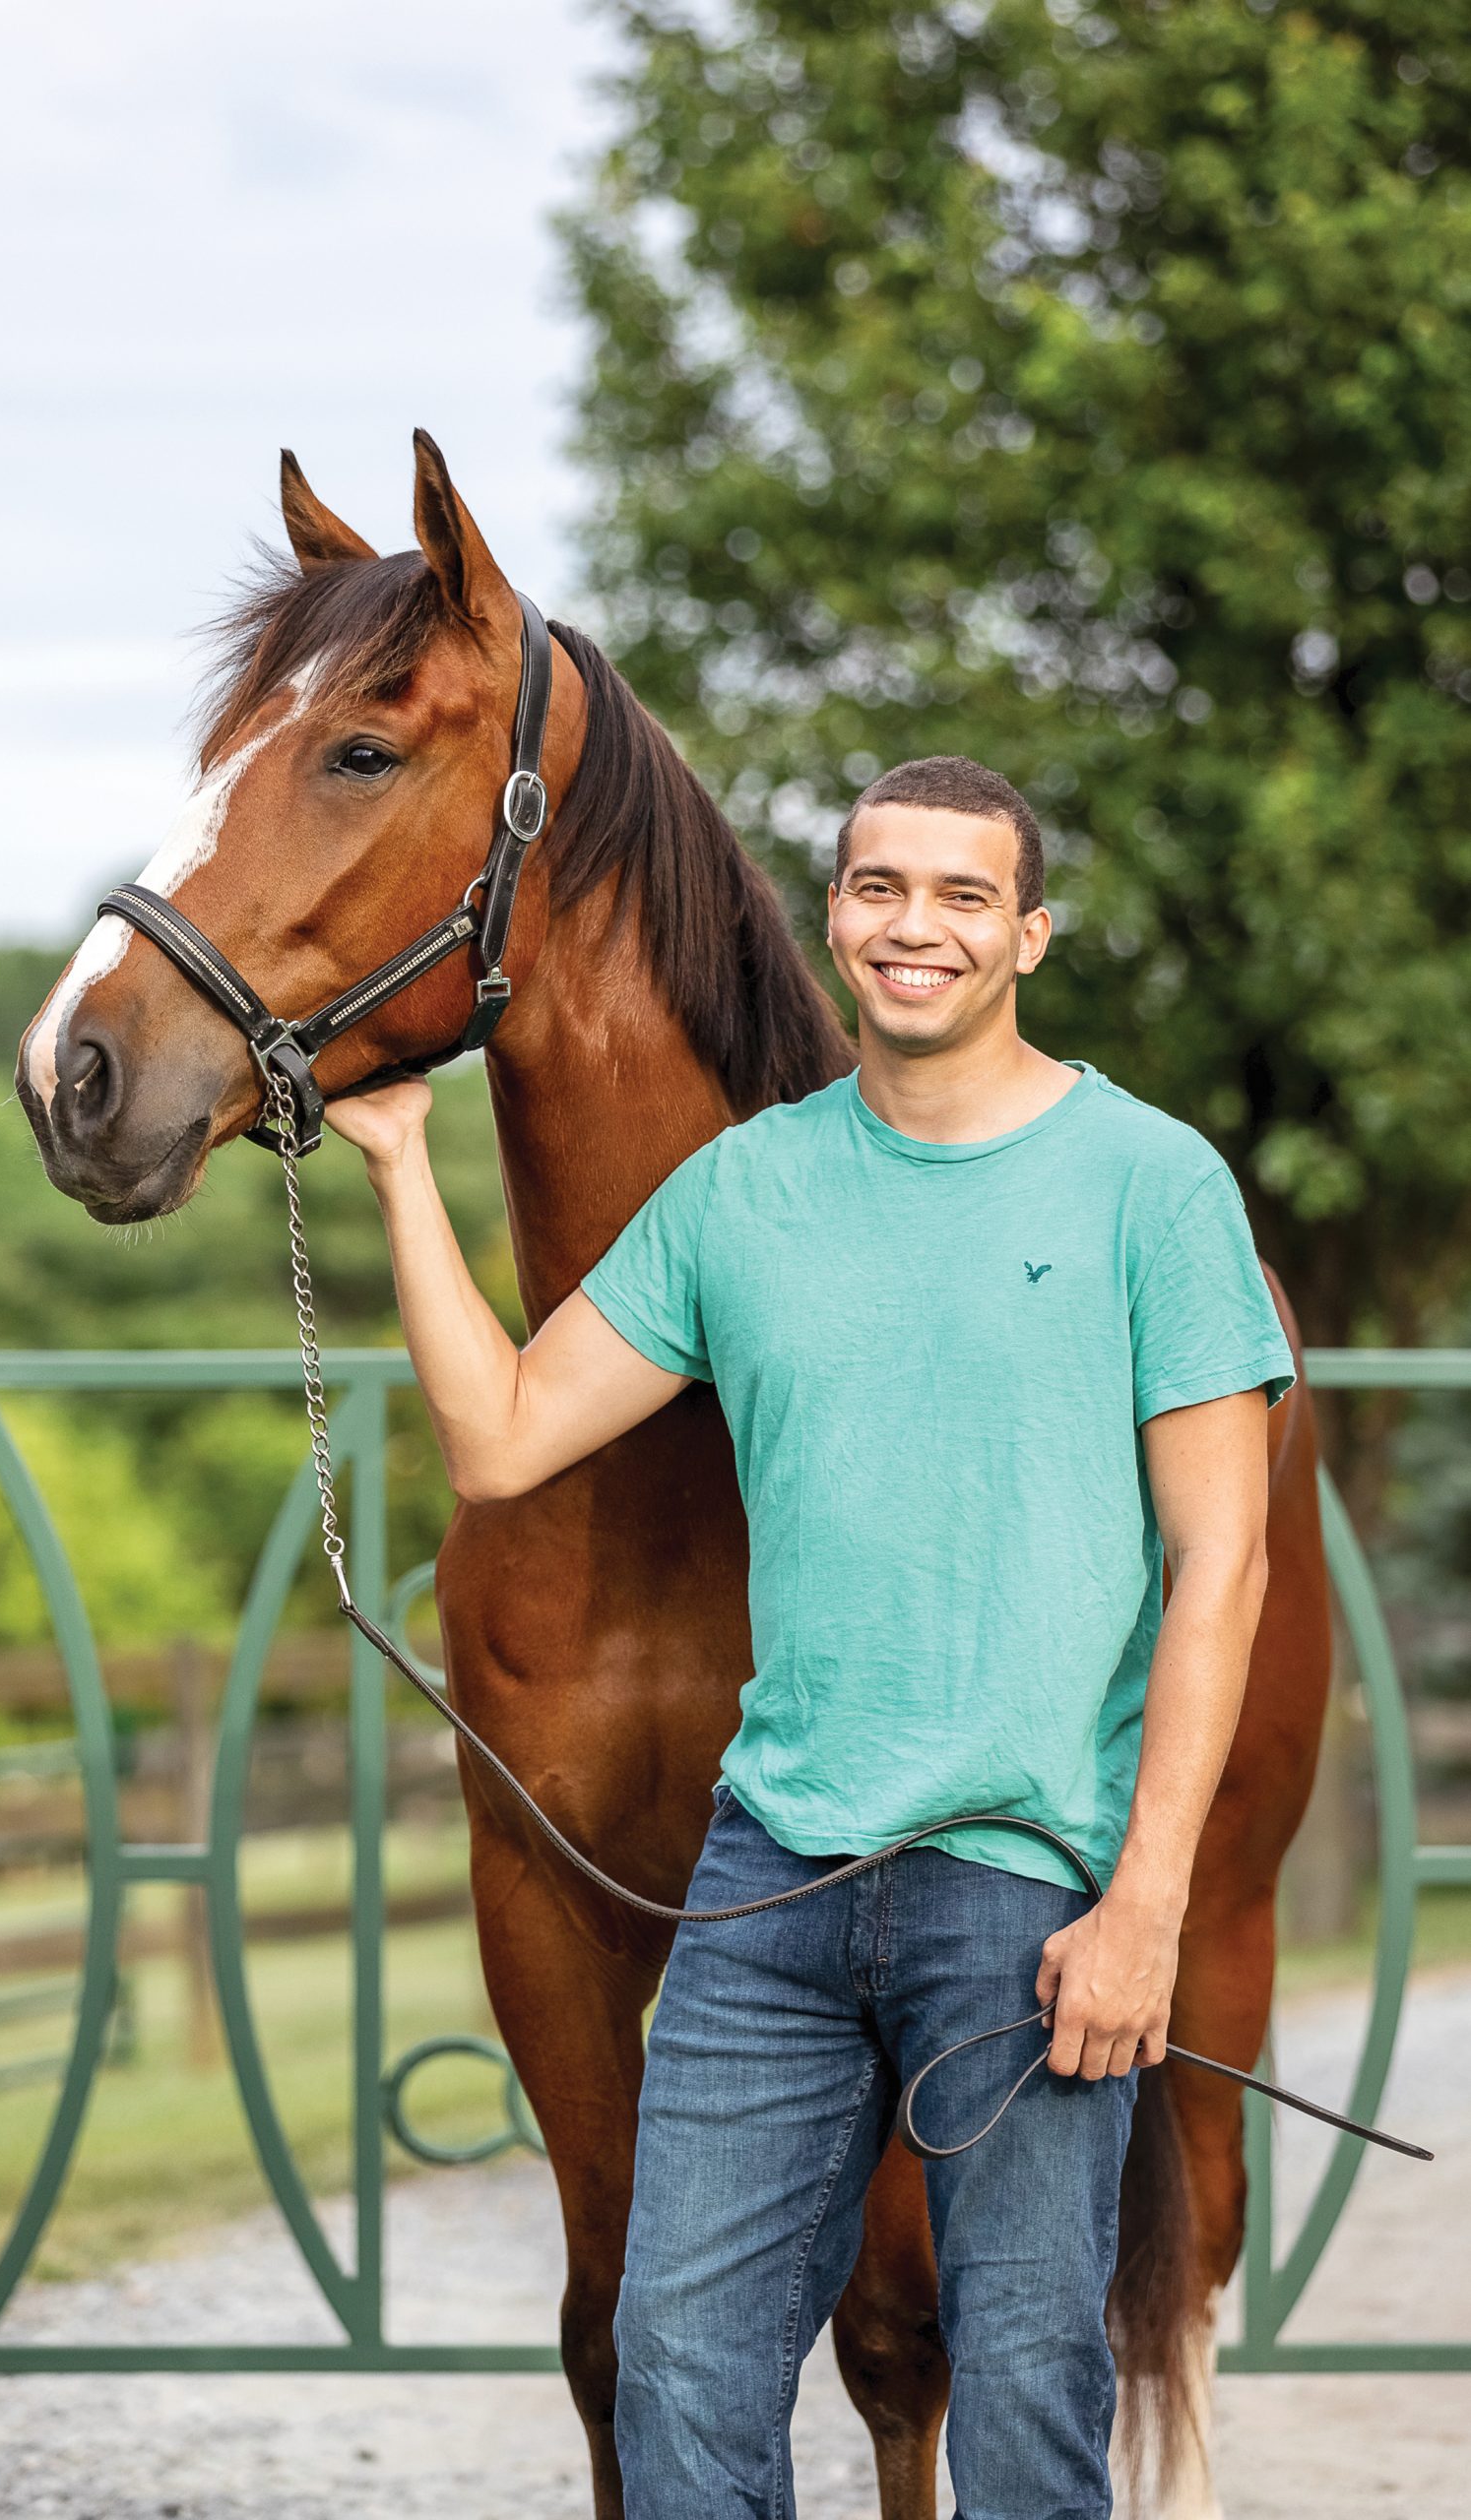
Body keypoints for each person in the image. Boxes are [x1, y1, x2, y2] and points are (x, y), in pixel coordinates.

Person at [323, 754, 1295, 2519]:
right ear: (832, 914)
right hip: (769, 1885)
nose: (913, 925)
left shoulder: (1153, 1186)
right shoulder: (742, 1194)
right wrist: (402, 1169)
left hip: (1023, 1890)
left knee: (1025, 2400)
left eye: (962, 896)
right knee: (683, 2375)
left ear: (1029, 937)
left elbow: (1217, 1571)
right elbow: (505, 1437)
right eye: (877, 888)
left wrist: (1144, 1902)